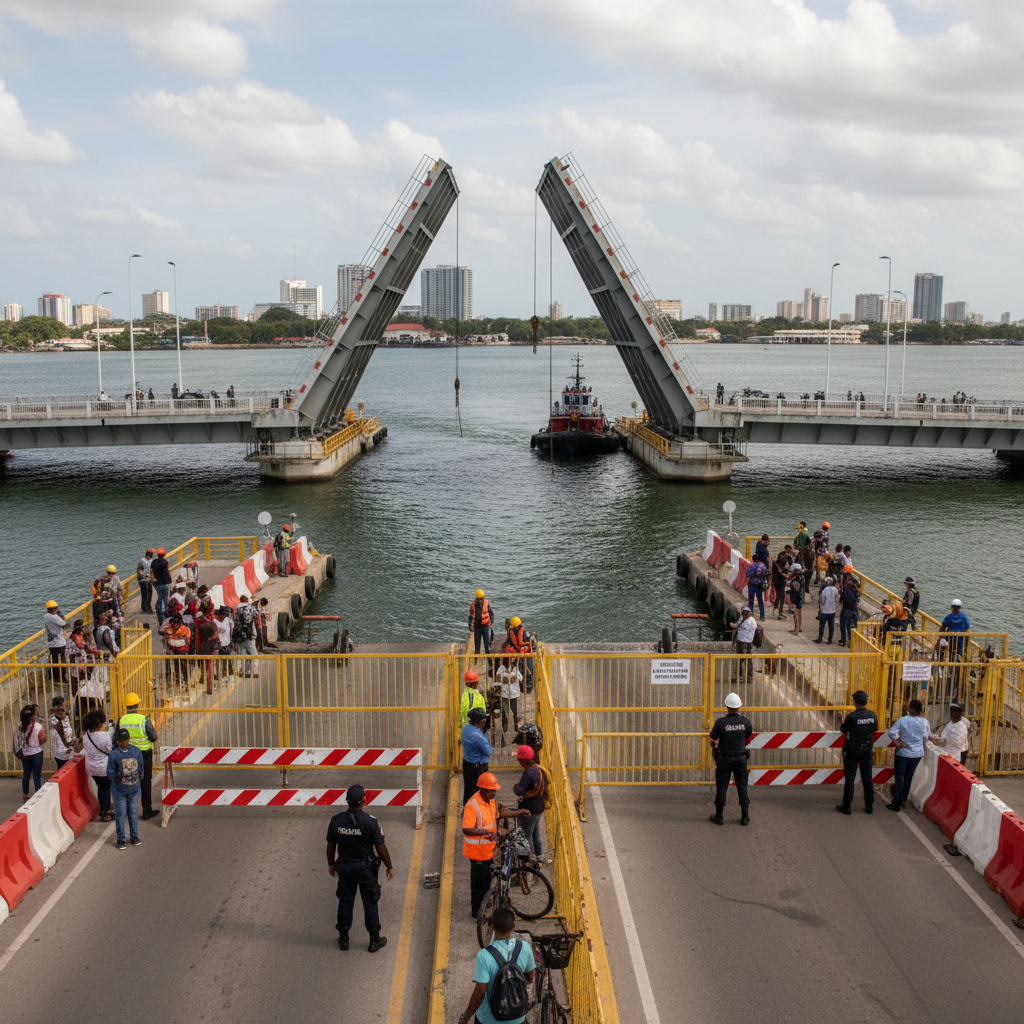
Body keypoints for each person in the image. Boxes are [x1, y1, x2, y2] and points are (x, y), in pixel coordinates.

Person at [326, 783, 394, 953]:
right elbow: (380, 847)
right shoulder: (370, 822)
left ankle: (343, 939)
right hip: (365, 869)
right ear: (364, 800)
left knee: (345, 902)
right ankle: (374, 940)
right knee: (370, 902)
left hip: (345, 867)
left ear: (347, 801)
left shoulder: (337, 820)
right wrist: (389, 866)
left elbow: (331, 845)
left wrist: (331, 864)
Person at [462, 772, 530, 919]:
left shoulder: (490, 801)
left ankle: (484, 906)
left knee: (486, 881)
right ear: (482, 789)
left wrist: (518, 812)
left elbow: (499, 813)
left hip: (488, 850)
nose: (494, 793)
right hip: (477, 853)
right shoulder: (472, 805)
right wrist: (484, 832)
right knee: (479, 884)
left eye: (494, 791)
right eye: (491, 791)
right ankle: (477, 913)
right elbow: (466, 829)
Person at [458, 905, 536, 1024]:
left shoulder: (484, 955)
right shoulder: (524, 947)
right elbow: (530, 977)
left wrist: (465, 1017)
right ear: (513, 926)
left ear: (492, 926)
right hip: (517, 1017)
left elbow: (480, 993)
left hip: (488, 1019)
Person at [886, 699, 945, 811]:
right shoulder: (924, 722)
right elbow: (928, 736)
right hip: (917, 754)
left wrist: (899, 742)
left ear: (909, 708)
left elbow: (891, 732)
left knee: (900, 778)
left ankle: (896, 803)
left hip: (903, 753)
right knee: (909, 777)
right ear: (921, 710)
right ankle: (903, 799)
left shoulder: (903, 720)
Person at [709, 692, 753, 825]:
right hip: (740, 758)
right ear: (739, 707)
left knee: (722, 786)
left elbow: (713, 736)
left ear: (726, 706)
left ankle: (719, 816)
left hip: (725, 759)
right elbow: (748, 734)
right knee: (742, 786)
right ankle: (745, 817)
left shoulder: (721, 722)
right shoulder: (745, 722)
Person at [117, 692, 158, 820]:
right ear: (138, 704)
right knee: (145, 783)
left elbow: (116, 738)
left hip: (127, 754)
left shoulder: (121, 720)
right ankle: (147, 810)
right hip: (144, 754)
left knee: (129, 782)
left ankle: (129, 812)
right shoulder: (144, 720)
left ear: (126, 705)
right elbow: (153, 737)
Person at [836, 690, 878, 814]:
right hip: (867, 750)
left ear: (855, 702)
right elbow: (875, 729)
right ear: (866, 702)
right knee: (867, 778)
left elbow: (843, 729)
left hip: (852, 750)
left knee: (850, 777)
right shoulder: (873, 715)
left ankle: (847, 806)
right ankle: (869, 806)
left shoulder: (852, 717)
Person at [106, 728, 143, 849]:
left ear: (128, 739)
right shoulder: (114, 754)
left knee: (132, 812)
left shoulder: (136, 751)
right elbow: (109, 772)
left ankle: (134, 836)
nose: (124, 743)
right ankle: (121, 839)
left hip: (133, 789)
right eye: (121, 741)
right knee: (121, 813)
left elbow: (141, 769)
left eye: (125, 740)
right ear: (117, 741)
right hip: (120, 791)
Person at [512, 745, 547, 858]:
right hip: (539, 806)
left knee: (527, 835)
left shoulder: (529, 773)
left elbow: (518, 790)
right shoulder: (539, 769)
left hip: (529, 808)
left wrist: (515, 787)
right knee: (535, 834)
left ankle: (531, 862)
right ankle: (539, 856)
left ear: (522, 760)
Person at [82, 708, 114, 821]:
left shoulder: (86, 736)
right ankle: (105, 812)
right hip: (104, 768)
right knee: (106, 789)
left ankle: (104, 810)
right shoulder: (105, 736)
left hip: (92, 768)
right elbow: (110, 749)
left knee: (101, 789)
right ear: (100, 723)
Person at [462, 706, 493, 805]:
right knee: (479, 789)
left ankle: (467, 806)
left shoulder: (466, 729)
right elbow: (488, 751)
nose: (483, 723)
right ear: (477, 722)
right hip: (478, 766)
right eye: (482, 722)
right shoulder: (477, 736)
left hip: (467, 762)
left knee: (469, 787)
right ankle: (477, 809)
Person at [15, 704, 46, 800]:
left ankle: (25, 793)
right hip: (36, 752)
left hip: (25, 753)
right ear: (32, 716)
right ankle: (38, 792)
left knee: (26, 773)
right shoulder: (38, 726)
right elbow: (42, 739)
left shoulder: (19, 726)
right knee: (37, 774)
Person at [232, 595, 260, 676]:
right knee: (253, 653)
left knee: (242, 654)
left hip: (238, 635)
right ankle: (254, 671)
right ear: (247, 601)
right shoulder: (250, 608)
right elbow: (257, 613)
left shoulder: (236, 610)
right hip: (249, 634)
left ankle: (244, 671)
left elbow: (235, 621)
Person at [49, 694, 79, 769]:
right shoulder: (53, 721)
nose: (61, 708)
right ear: (54, 708)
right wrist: (69, 746)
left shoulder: (70, 718)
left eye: (62, 705)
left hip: (71, 752)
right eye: (58, 706)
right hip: (60, 753)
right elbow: (60, 733)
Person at [730, 606, 757, 685]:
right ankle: (749, 677)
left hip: (741, 642)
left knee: (739, 659)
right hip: (749, 642)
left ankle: (738, 676)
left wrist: (731, 624)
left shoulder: (744, 620)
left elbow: (735, 625)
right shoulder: (753, 621)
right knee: (748, 660)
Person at [495, 661, 523, 737]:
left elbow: (521, 678)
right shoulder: (503, 668)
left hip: (512, 694)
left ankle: (514, 726)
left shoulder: (514, 669)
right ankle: (505, 726)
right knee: (506, 710)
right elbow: (497, 676)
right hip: (506, 694)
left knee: (514, 711)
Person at [43, 599, 68, 685]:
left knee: (53, 661)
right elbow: (63, 623)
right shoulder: (55, 617)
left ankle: (53, 678)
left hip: (51, 643)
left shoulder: (45, 616)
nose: (55, 610)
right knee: (62, 662)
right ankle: (61, 679)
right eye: (55, 609)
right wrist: (60, 613)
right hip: (59, 643)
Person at [838, 569, 860, 647]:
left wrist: (840, 592)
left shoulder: (847, 590)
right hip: (853, 610)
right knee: (850, 626)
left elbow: (841, 600)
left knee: (843, 625)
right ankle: (850, 642)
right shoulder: (856, 591)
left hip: (846, 609)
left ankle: (843, 640)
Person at [469, 589, 494, 658]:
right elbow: (471, 615)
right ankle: (476, 656)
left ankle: (488, 655)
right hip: (477, 626)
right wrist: (471, 626)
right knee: (477, 643)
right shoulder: (473, 604)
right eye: (478, 599)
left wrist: (490, 623)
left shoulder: (486, 603)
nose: (479, 601)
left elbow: (491, 614)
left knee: (487, 642)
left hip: (485, 626)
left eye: (480, 599)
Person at [815, 576, 839, 644]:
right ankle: (830, 639)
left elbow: (822, 600)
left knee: (822, 626)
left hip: (825, 611)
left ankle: (820, 638)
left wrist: (821, 607)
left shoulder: (824, 590)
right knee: (831, 626)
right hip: (832, 610)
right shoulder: (835, 589)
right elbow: (837, 598)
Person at [151, 546, 172, 625]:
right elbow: (166, 572)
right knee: (165, 599)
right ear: (164, 555)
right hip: (165, 583)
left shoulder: (153, 562)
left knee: (159, 599)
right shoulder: (164, 562)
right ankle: (166, 617)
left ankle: (160, 617)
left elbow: (152, 572)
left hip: (157, 584)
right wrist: (170, 581)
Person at [786, 564, 804, 635]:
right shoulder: (802, 577)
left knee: (795, 613)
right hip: (800, 596)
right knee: (799, 612)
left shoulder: (794, 579)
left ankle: (796, 628)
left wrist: (788, 591)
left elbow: (794, 589)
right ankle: (799, 627)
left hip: (795, 597)